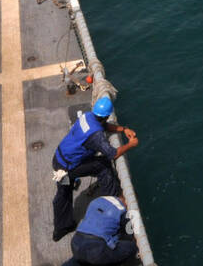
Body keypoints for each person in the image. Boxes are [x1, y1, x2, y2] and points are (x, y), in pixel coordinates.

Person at [50, 96, 138, 242]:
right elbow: (112, 154)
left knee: (63, 193)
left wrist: (123, 129)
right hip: (69, 168)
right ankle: (111, 202)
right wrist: (131, 144)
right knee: (103, 167)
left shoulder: (88, 116)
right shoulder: (96, 136)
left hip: (59, 161)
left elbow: (103, 125)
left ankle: (61, 228)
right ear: (107, 115)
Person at [61, 196, 139, 266]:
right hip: (97, 250)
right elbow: (130, 234)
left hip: (76, 243)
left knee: (81, 259)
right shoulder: (122, 210)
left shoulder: (99, 199)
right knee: (131, 248)